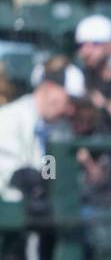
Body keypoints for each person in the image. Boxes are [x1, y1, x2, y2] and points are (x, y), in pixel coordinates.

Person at [0, 56, 78, 202]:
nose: (71, 110)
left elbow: (50, 176)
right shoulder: (7, 118)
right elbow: (10, 175)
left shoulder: (60, 127)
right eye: (69, 101)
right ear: (49, 88)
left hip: (46, 216)